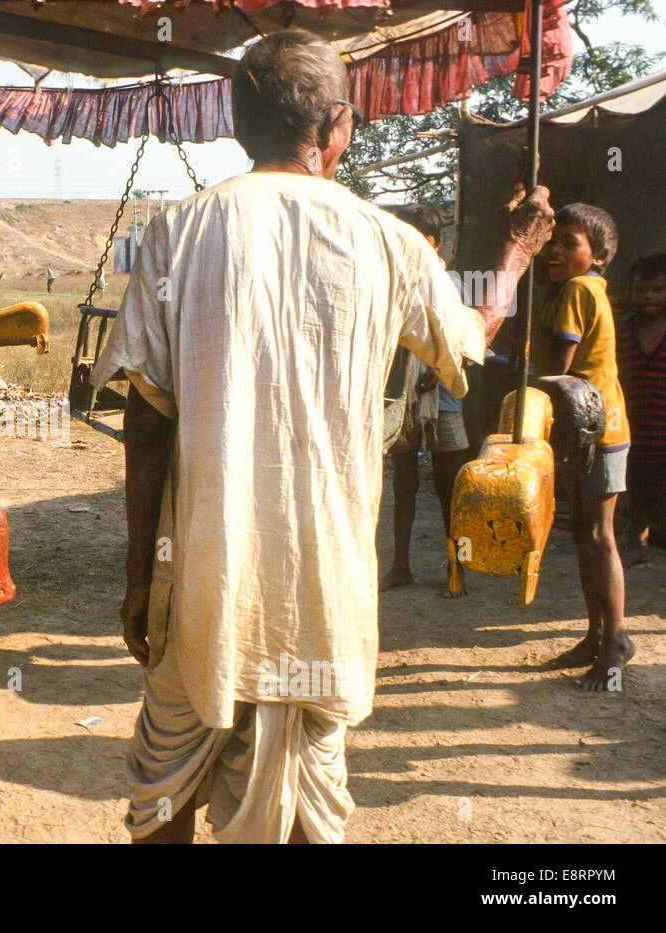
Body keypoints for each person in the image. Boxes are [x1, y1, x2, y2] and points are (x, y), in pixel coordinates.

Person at [92, 28, 554, 844]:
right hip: (323, 587)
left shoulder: (178, 232)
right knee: (311, 796)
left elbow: (146, 421)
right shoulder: (390, 242)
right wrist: (515, 254)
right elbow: (471, 344)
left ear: (238, 126)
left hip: (203, 579)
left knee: (162, 790)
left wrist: (139, 576)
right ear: (338, 125)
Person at [531, 204, 633, 691]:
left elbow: (557, 366)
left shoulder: (576, 289)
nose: (555, 249)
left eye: (569, 242)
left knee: (598, 537)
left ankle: (614, 641)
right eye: (552, 240)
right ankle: (595, 635)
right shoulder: (585, 288)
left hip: (598, 432)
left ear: (598, 255)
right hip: (590, 429)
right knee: (585, 537)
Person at [382, 204, 473, 597]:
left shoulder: (452, 284)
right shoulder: (392, 283)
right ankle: (400, 566)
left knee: (449, 486)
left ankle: (458, 567)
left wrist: (435, 372)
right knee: (403, 484)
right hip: (401, 400)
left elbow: (464, 342)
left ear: (431, 243)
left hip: (445, 401)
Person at [618, 253, 666, 567]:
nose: (648, 295)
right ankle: (638, 542)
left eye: (658, 289)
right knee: (637, 490)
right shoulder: (622, 332)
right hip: (633, 428)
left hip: (663, 428)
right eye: (641, 289)